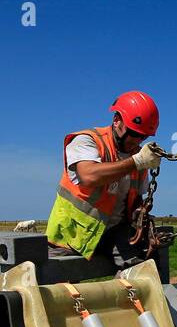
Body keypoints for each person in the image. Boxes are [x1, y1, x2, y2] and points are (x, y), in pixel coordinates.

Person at [46, 91, 165, 262]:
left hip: (112, 235)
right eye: (134, 133)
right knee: (60, 286)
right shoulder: (87, 141)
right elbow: (88, 176)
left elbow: (134, 198)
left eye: (143, 136)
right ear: (117, 121)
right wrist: (136, 162)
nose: (138, 140)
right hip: (70, 237)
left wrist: (141, 216)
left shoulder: (139, 158)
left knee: (139, 274)